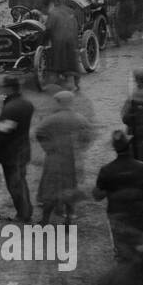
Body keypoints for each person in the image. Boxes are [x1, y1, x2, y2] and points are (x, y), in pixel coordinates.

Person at [92, 130, 143, 261]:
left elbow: (97, 196)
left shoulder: (106, 170)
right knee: (136, 247)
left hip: (116, 214)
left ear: (115, 149)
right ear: (130, 146)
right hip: (137, 214)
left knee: (121, 250)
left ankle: (123, 273)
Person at [34, 91, 94, 224]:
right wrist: (81, 147)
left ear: (59, 102)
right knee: (70, 189)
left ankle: (45, 220)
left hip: (54, 159)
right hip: (72, 159)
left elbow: (39, 132)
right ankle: (68, 220)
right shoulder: (79, 118)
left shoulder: (51, 119)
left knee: (50, 189)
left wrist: (48, 147)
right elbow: (88, 134)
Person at [0, 73, 34, 222]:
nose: (2, 91)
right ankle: (27, 209)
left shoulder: (11, 108)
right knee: (21, 181)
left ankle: (23, 214)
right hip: (23, 149)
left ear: (9, 88)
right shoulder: (26, 103)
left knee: (15, 185)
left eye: (4, 88)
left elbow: (2, 133)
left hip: (11, 154)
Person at [44, 0, 82, 91]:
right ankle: (75, 83)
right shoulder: (69, 11)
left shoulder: (53, 13)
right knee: (72, 61)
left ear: (52, 4)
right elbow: (77, 25)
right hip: (72, 39)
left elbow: (48, 29)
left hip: (59, 41)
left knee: (60, 61)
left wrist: (43, 42)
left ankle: (66, 84)